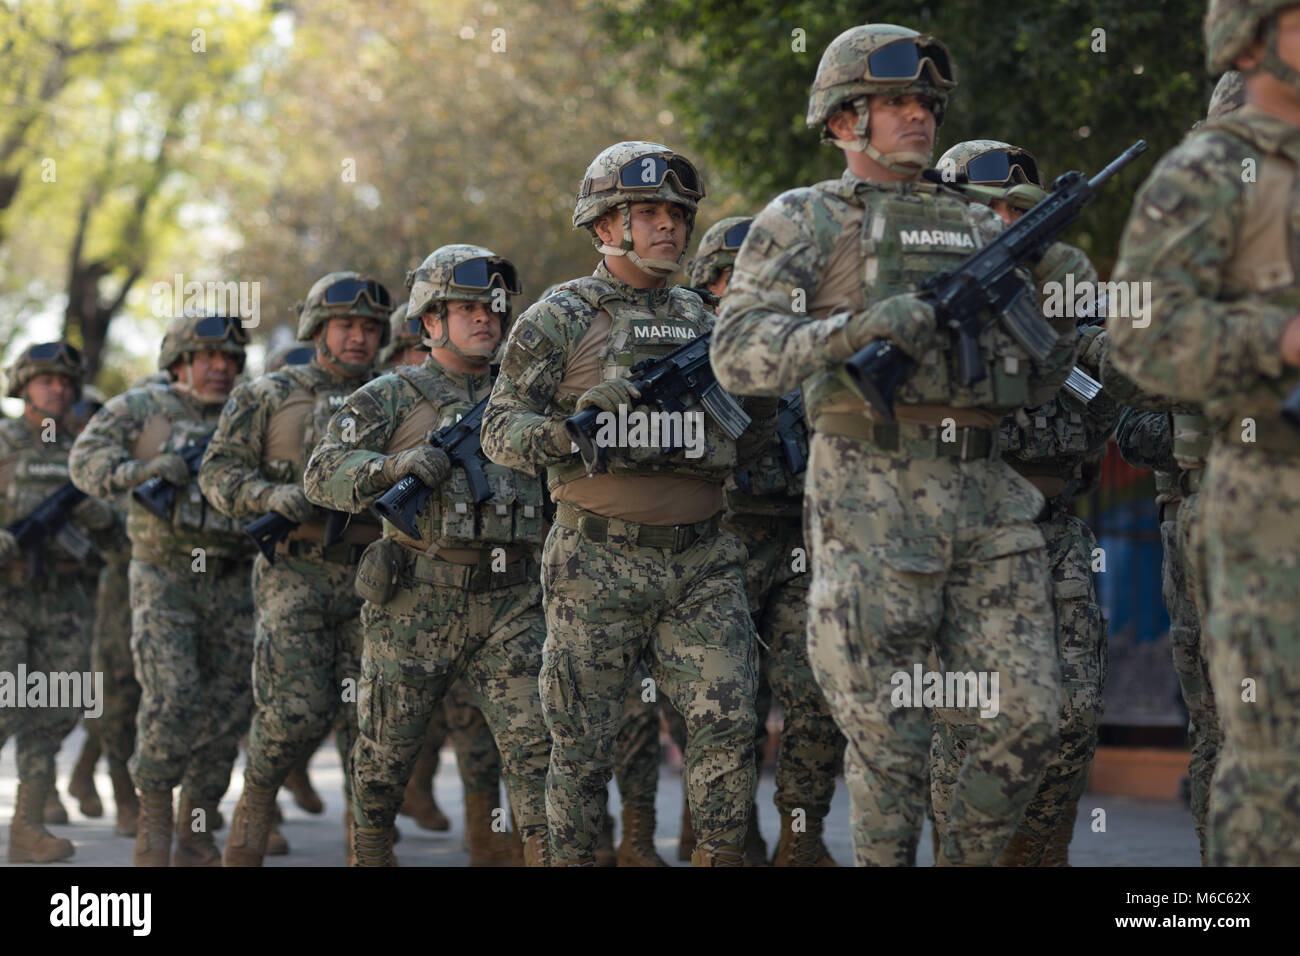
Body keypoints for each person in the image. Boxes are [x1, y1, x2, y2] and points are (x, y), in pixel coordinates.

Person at [710, 23, 1074, 865]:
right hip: (872, 499)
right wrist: (855, 330)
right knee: (891, 742)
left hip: (990, 501)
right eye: (895, 102)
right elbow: (739, 353)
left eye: (927, 104)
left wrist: (1060, 304)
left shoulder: (978, 226)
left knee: (1027, 715)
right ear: (843, 122)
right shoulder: (804, 218)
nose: (918, 117)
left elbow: (1040, 380)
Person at [483, 141, 760, 866]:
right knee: (579, 749)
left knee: (730, 729)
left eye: (677, 213)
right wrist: (571, 429)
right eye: (648, 212)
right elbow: (498, 431)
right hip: (595, 559)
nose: (669, 226)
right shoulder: (560, 318)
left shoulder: (709, 320)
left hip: (703, 559)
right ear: (606, 226)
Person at [1108, 0, 1300, 865]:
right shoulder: (1212, 170)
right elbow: (1140, 333)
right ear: (1253, 38)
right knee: (1271, 761)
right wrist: (1276, 339)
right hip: (1267, 495)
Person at [304, 244, 549, 866]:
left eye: (494, 307)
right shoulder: (392, 393)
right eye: (466, 307)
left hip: (514, 598)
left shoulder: (527, 394)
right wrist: (395, 467)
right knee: (385, 753)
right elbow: (322, 474)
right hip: (417, 595)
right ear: (429, 321)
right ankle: (369, 853)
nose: (486, 318)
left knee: (539, 751)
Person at [199, 272, 392, 865]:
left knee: (374, 721)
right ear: (317, 329)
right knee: (295, 711)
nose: (357, 337)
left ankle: (365, 847)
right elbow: (218, 472)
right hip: (295, 572)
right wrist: (264, 496)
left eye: (368, 327)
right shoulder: (268, 394)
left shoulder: (398, 393)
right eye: (345, 325)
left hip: (377, 574)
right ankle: (255, 805)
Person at [69, 312, 255, 866]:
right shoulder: (139, 408)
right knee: (173, 700)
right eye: (208, 358)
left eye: (230, 360)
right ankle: (152, 823)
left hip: (232, 576)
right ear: (178, 361)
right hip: (163, 577)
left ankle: (194, 828)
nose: (220, 368)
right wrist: (144, 470)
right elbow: (86, 463)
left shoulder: (249, 410)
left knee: (225, 713)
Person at [1, 343, 116, 862]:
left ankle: (27, 828)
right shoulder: (4, 444)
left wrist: (98, 514)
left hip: (67, 600)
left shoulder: (87, 453)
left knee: (52, 711)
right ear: (23, 384)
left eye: (67, 383)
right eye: (48, 380)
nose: (59, 390)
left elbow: (121, 539)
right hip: (8, 598)